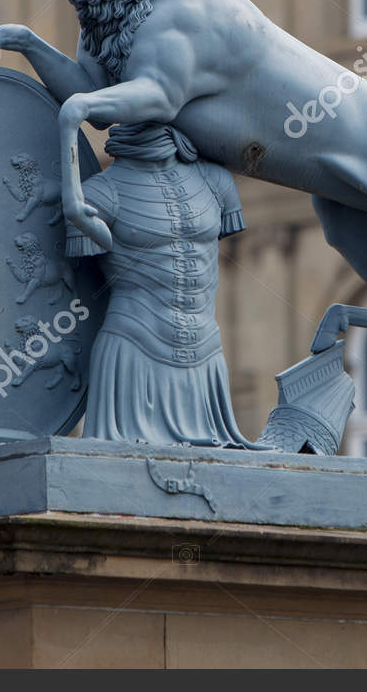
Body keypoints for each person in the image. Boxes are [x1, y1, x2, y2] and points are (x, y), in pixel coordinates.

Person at [67, 121, 264, 448]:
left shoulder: (216, 181)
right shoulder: (98, 193)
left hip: (205, 354)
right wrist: (68, 124)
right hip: (134, 348)